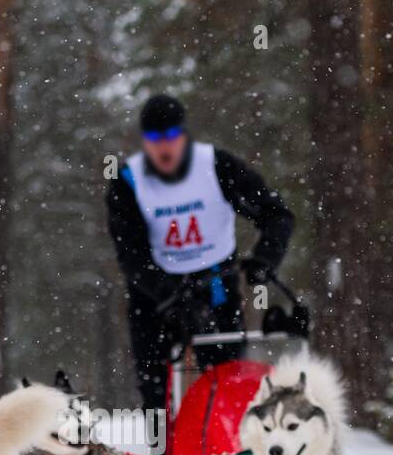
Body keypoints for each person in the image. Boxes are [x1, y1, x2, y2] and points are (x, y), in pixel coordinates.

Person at [106, 93, 295, 413]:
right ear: (144, 141)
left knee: (226, 385)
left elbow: (277, 215)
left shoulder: (218, 167)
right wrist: (169, 297)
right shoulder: (127, 182)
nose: (164, 146)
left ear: (184, 134)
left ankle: (227, 454)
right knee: (155, 392)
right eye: (154, 138)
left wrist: (265, 258)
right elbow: (130, 255)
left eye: (171, 136)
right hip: (156, 295)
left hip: (215, 287)